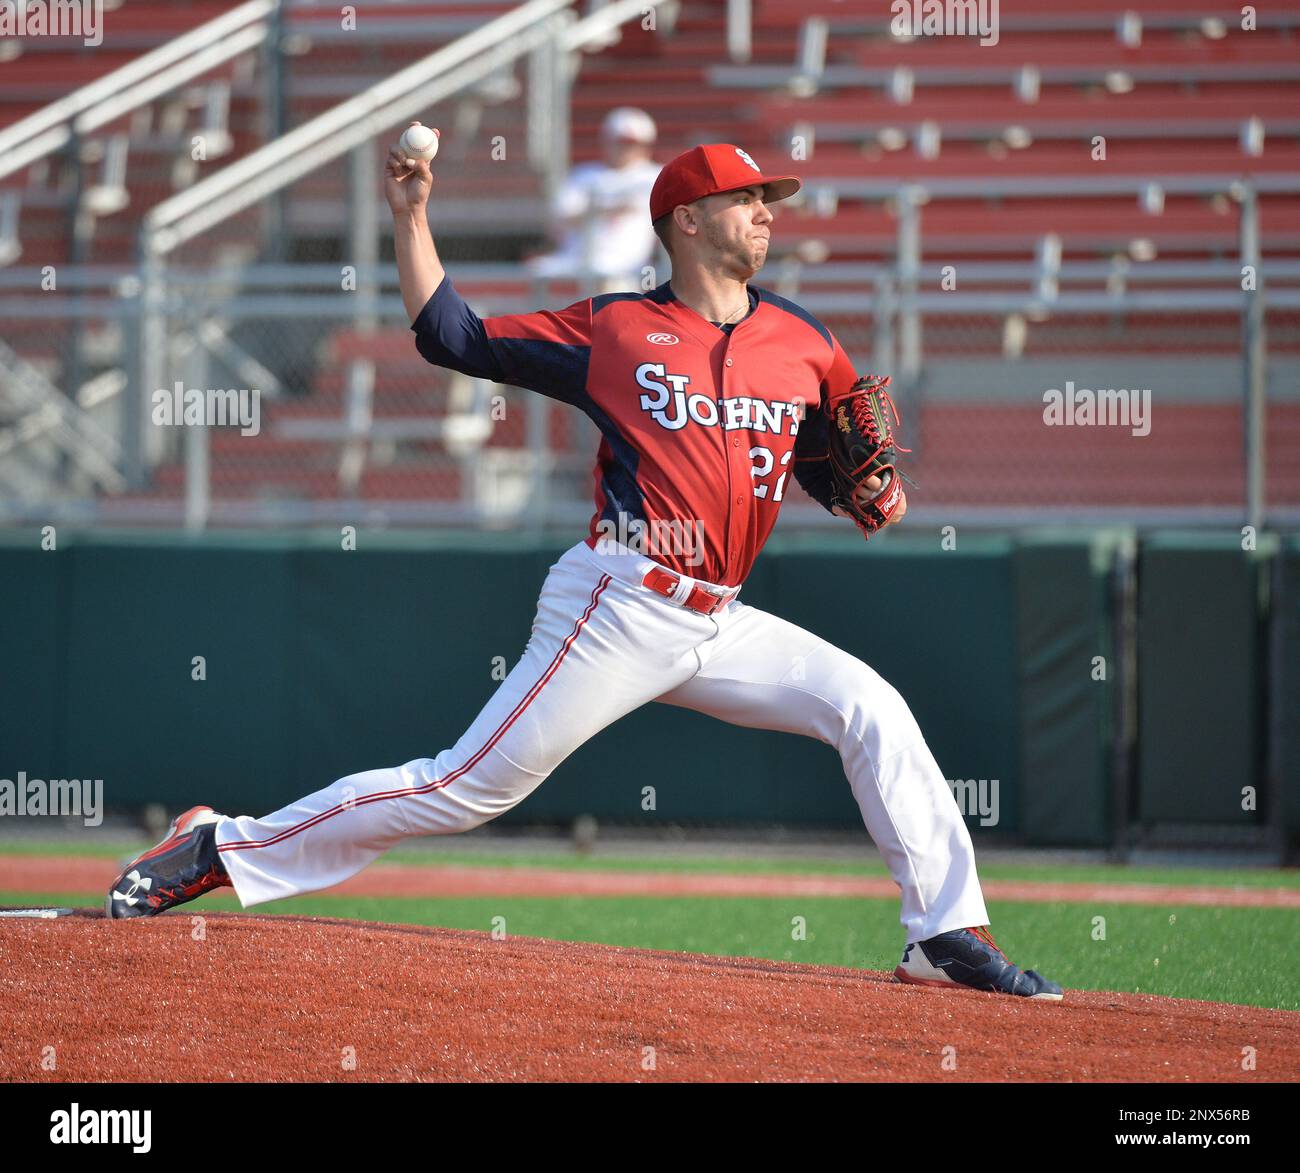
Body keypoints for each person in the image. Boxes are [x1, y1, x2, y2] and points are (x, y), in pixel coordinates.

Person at [106, 133, 1063, 1003]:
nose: (768, 213)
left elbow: (836, 459)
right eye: (748, 198)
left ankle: (943, 933)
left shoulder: (805, 341)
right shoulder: (614, 330)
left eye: (771, 198)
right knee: (463, 787)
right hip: (616, 602)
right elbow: (455, 335)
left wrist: (863, 488)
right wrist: (411, 218)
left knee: (873, 708)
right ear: (686, 219)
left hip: (719, 617)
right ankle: (218, 845)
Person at [526, 106, 661, 289]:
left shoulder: (655, 176)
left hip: (628, 265)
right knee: (535, 271)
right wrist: (602, 212)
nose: (624, 149)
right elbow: (558, 221)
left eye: (631, 143)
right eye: (619, 142)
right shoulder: (584, 175)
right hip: (577, 258)